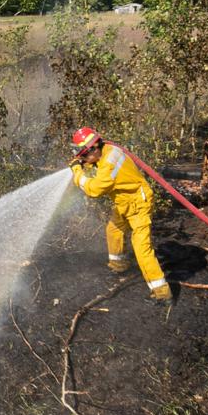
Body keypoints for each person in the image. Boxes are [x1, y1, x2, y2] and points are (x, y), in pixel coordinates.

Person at [67, 127, 172, 305]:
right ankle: (119, 265)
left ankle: (162, 292)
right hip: (124, 201)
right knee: (113, 229)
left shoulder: (108, 162)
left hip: (138, 203)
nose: (82, 159)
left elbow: (94, 189)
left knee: (141, 247)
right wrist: (85, 163)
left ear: (94, 149)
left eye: (84, 155)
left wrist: (78, 173)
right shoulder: (106, 150)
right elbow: (98, 163)